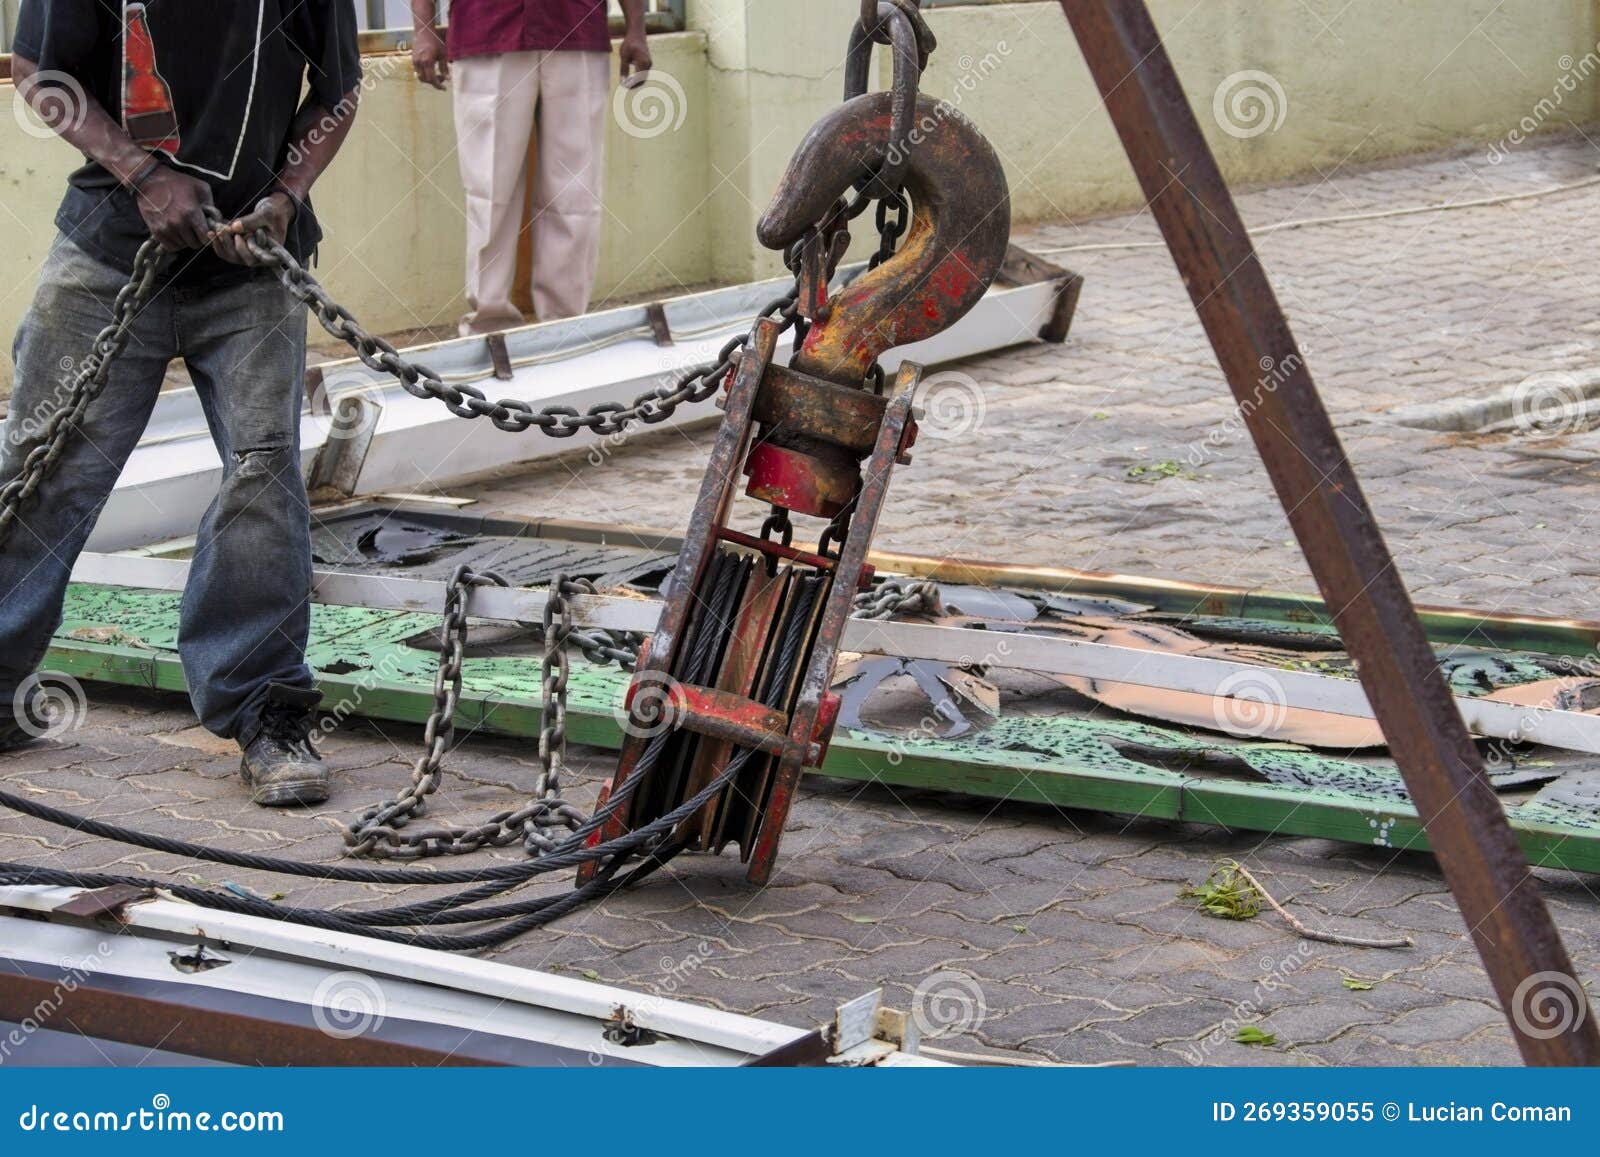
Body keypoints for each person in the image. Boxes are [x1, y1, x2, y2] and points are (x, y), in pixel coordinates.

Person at [0, 1, 363, 808]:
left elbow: (338, 91)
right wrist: (142, 174)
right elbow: (39, 71)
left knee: (262, 476)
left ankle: (266, 708)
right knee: (44, 466)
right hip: (106, 248)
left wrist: (288, 193)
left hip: (251, 261)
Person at [410, 0, 652, 334]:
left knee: (575, 190)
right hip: (487, 25)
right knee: (489, 189)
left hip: (575, 24)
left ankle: (564, 323)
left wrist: (636, 28)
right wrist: (423, 31)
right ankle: (489, 323)